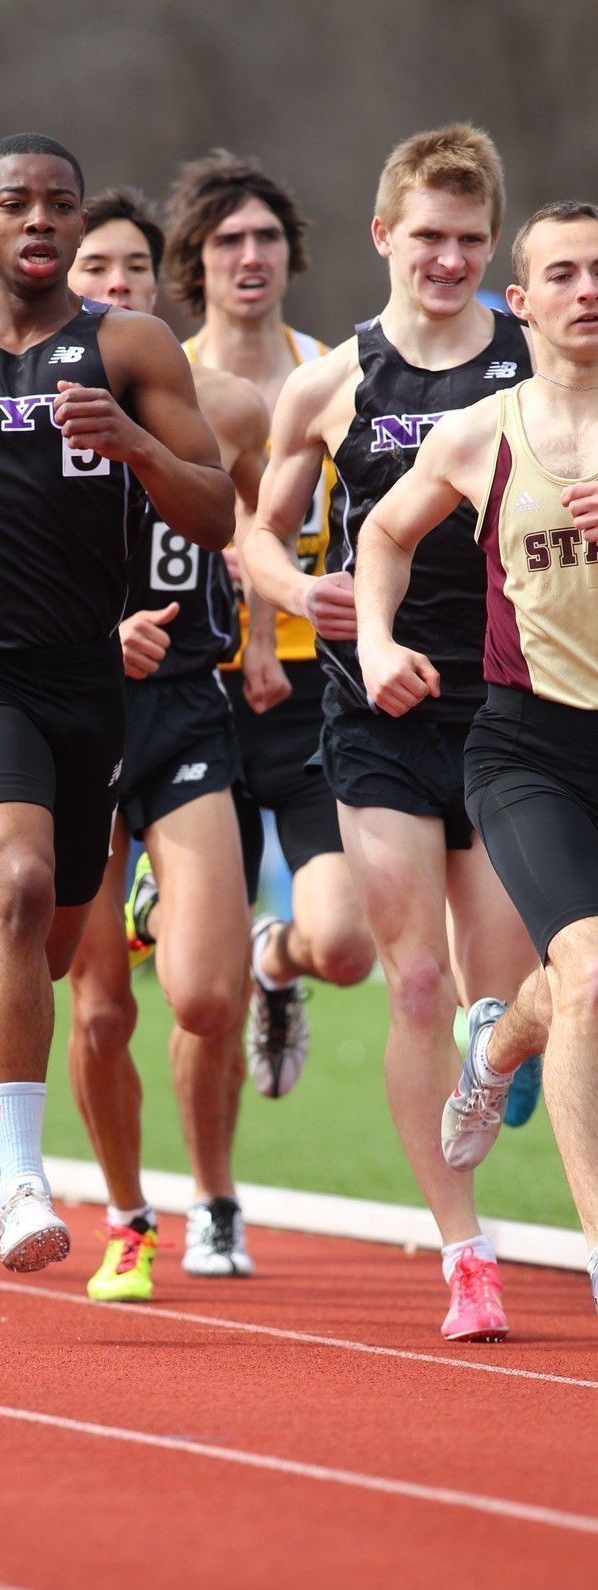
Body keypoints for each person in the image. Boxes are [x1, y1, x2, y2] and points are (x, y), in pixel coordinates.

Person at [0, 133, 235, 1274]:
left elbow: (215, 512)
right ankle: (21, 1180)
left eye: (60, 205)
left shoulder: (129, 345)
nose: (41, 222)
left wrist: (133, 444)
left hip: (87, 677)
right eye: (16, 203)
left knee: (52, 944)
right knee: (16, 879)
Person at [243, 123, 538, 1342]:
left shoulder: (534, 362)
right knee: (413, 979)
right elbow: (256, 532)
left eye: (468, 239)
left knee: (500, 1000)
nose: (447, 259)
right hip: (376, 705)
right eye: (426, 236)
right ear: (382, 235)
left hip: (514, 707)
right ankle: (463, 1253)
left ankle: (499, 1056)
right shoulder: (330, 383)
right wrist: (293, 592)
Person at [353, 199, 598, 1319]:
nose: (587, 289)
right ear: (521, 300)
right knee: (588, 974)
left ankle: (494, 1048)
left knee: (567, 986)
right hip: (527, 744)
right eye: (564, 273)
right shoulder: (474, 432)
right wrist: (372, 637)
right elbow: (381, 532)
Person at [62, 189, 267, 1298]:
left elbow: (255, 522)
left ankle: (215, 1194)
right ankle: (128, 1217)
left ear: (160, 280)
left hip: (187, 704)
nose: (116, 284)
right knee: (100, 1010)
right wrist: (97, 634)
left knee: (203, 997)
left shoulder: (223, 404)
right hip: (75, 710)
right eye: (94, 267)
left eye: (133, 267)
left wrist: (263, 631)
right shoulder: (21, 409)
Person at [155, 149, 376, 1097]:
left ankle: (273, 957)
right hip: (190, 688)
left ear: (291, 253)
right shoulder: (161, 379)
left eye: (267, 237)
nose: (250, 256)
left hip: (314, 683)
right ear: (193, 262)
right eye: (227, 240)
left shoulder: (334, 375)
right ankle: (210, 1184)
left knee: (345, 944)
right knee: (193, 994)